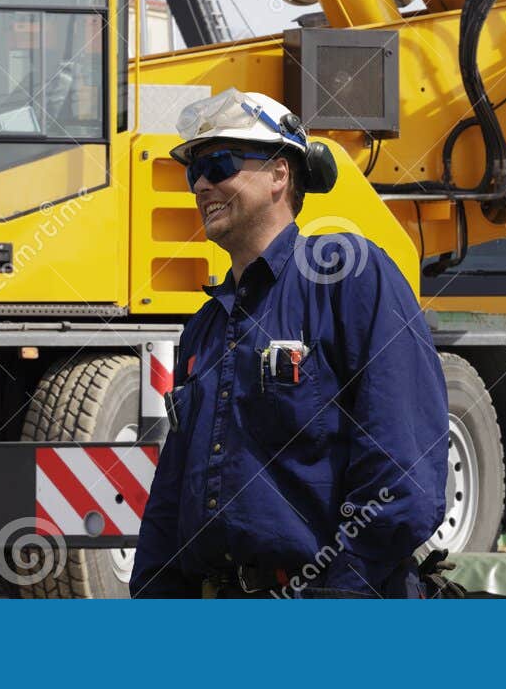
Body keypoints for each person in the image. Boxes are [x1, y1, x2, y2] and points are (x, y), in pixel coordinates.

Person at [130, 88, 449, 598]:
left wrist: (342, 595)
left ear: (280, 173)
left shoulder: (349, 279)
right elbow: (174, 489)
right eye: (194, 173)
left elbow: (404, 466)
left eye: (219, 164)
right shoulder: (206, 326)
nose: (201, 185)